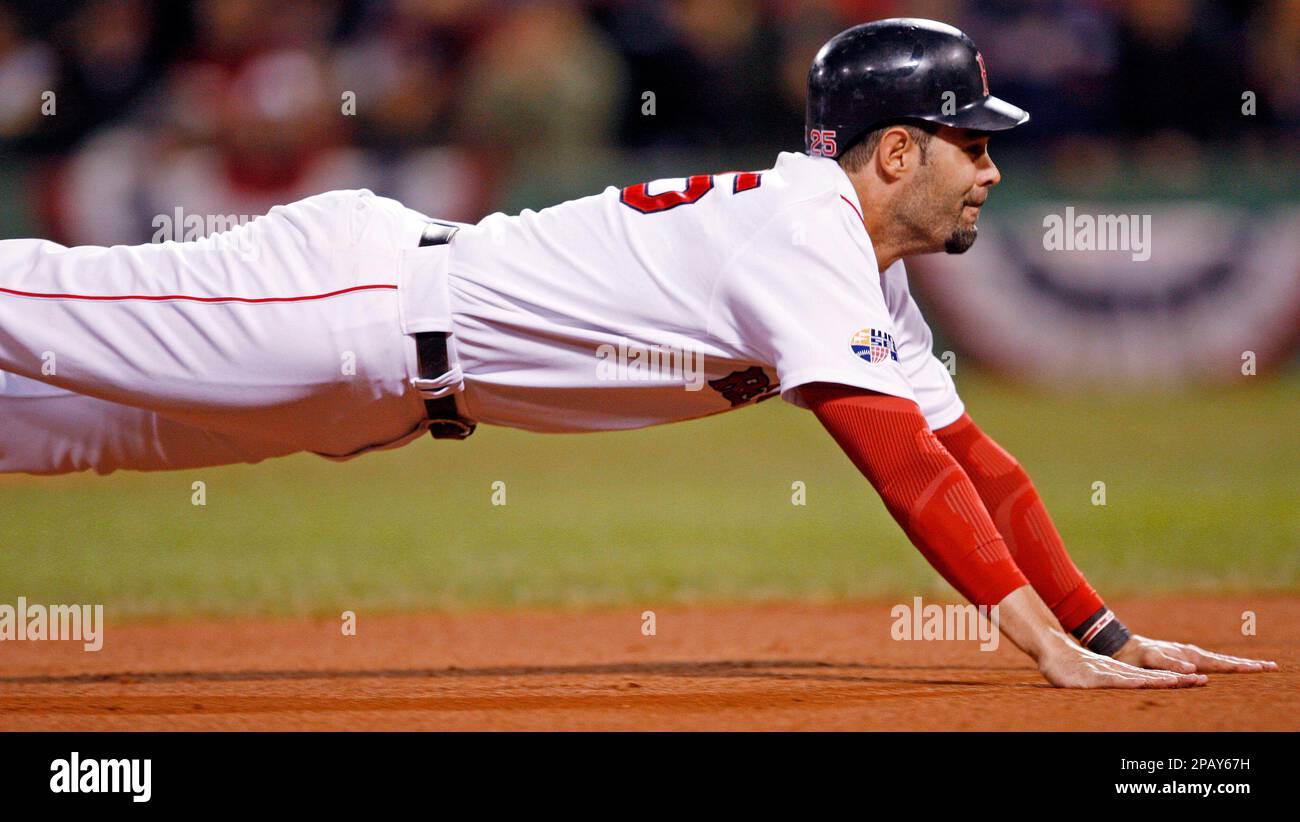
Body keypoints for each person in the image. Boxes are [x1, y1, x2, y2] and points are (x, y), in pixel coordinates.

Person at [0, 18, 1275, 687]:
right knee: (43, 303)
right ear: (895, 151)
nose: (991, 171)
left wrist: (1099, 630)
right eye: (970, 142)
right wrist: (1031, 644)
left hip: (369, 394)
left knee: (41, 431)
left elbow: (971, 459)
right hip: (351, 307)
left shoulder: (859, 267)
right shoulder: (802, 232)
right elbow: (899, 463)